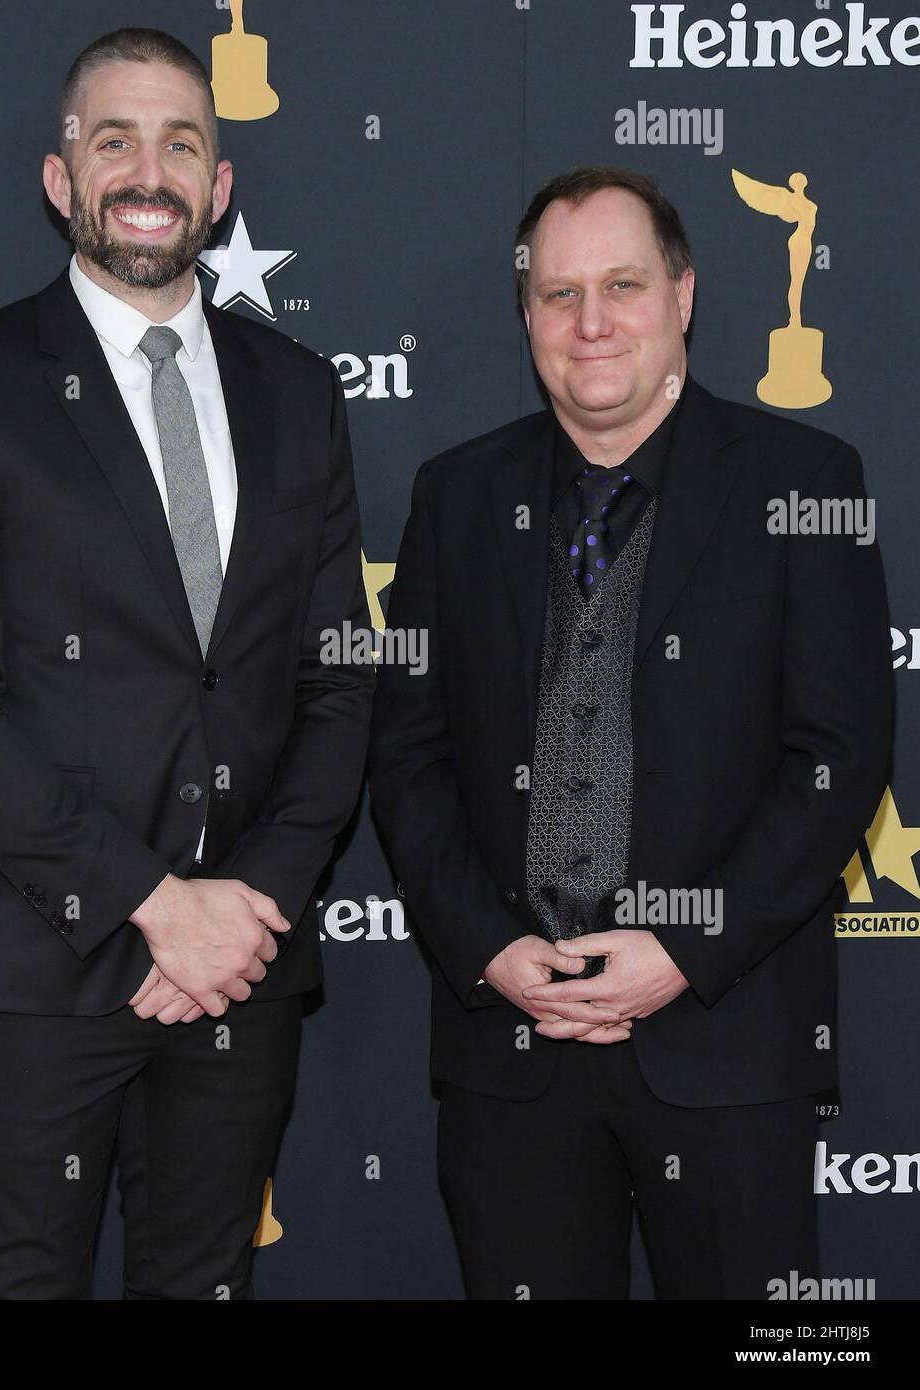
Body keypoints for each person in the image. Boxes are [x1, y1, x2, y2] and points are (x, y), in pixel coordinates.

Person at [0, 27, 373, 1300]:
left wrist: (242, 909)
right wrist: (158, 905)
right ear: (62, 179)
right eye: (115, 141)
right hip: (31, 976)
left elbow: (333, 678)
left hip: (238, 978)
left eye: (180, 143)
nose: (147, 170)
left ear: (217, 187)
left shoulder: (300, 393)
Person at [368, 166, 892, 1299]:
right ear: (524, 314)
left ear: (683, 295)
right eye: (558, 294)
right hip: (509, 1054)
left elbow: (837, 756)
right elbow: (407, 755)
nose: (590, 321)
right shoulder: (454, 497)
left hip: (725, 1045)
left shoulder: (806, 483)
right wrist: (491, 951)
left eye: (621, 285)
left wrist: (684, 951)